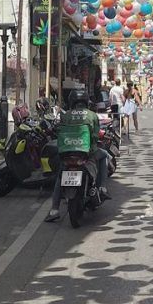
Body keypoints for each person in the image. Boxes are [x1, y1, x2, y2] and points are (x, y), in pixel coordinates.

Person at [45, 89, 109, 222]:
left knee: (60, 176)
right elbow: (96, 135)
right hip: (86, 153)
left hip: (67, 153)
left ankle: (54, 209)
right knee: (104, 156)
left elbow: (58, 131)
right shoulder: (92, 115)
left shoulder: (65, 115)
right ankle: (102, 187)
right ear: (86, 102)